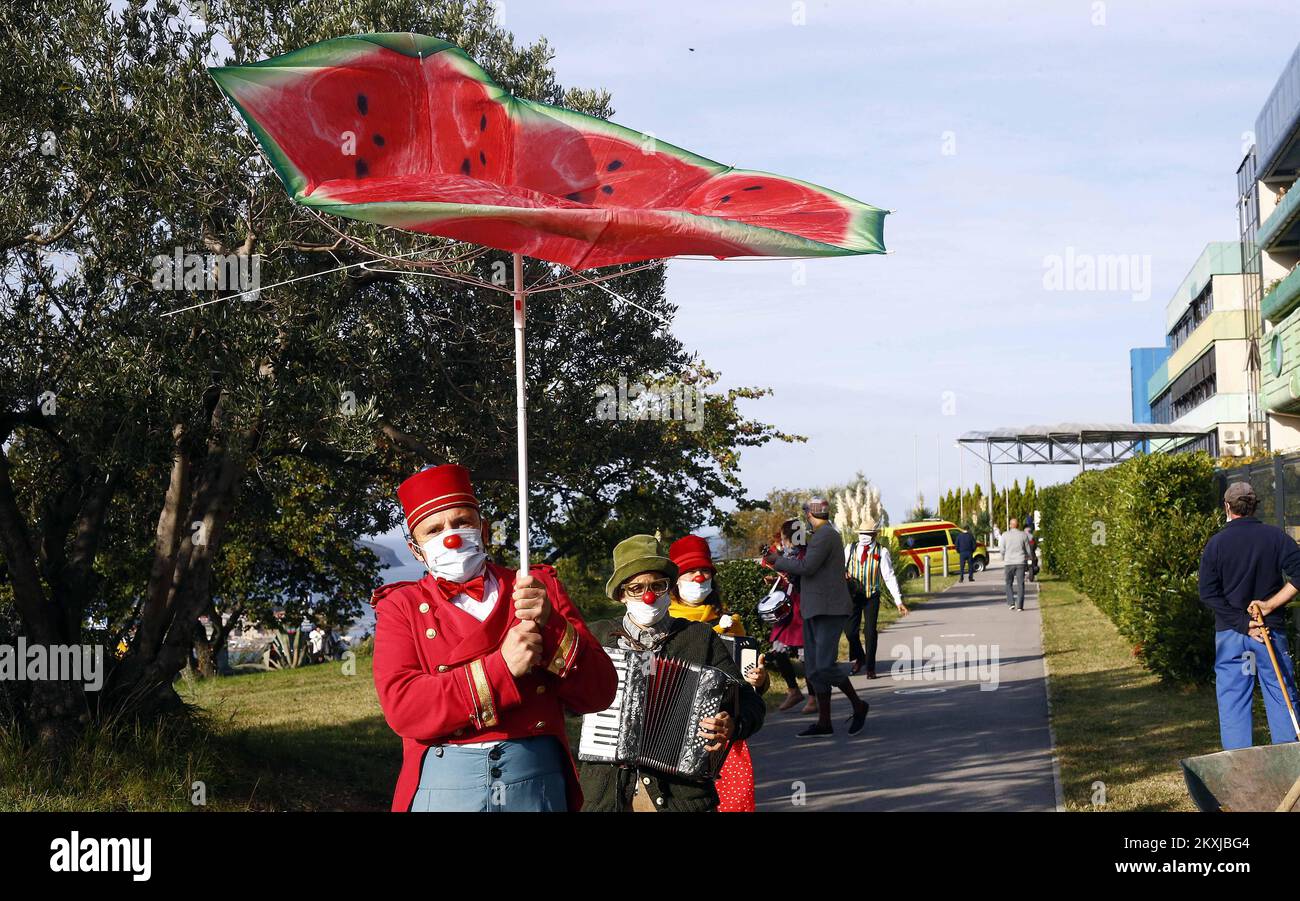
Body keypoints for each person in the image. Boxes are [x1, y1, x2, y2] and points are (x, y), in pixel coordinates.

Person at [370, 463, 618, 812]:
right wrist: (500, 670)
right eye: (434, 530)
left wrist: (551, 626)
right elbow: (403, 708)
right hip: (445, 789)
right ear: (415, 549)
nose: (451, 537)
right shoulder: (402, 606)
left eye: (462, 523)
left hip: (537, 784)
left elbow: (600, 692)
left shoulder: (537, 588)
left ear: (483, 529)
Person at [580, 535, 766, 812]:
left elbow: (749, 702)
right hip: (607, 795)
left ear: (669, 588)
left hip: (680, 797)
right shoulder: (595, 638)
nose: (649, 595)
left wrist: (733, 724)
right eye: (636, 588)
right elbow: (563, 701)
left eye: (658, 585)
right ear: (621, 594)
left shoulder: (700, 638)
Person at [667, 534, 769, 812]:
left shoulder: (730, 624)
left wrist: (760, 680)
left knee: (732, 805)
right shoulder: (663, 624)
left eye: (704, 570)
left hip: (724, 739)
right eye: (690, 571)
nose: (699, 577)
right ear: (675, 579)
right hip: (673, 736)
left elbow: (749, 688)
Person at [1199, 481, 1300, 750]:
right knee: (1281, 695)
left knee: (1234, 701)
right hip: (1268, 633)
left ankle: (1239, 770)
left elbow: (1208, 593)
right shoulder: (1275, 537)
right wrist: (1269, 606)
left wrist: (1243, 624)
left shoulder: (1216, 544)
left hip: (1232, 637)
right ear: (1255, 506)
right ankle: (1290, 770)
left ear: (1227, 507)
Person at [763, 497, 869, 737]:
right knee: (813, 668)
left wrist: (776, 561)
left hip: (828, 610)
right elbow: (809, 571)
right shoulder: (823, 535)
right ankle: (824, 722)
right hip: (816, 608)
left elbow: (808, 567)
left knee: (823, 666)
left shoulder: (825, 535)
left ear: (809, 515)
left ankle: (858, 705)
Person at [843, 519, 907, 678]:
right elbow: (839, 568)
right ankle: (860, 657)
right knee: (850, 631)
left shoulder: (881, 552)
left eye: (868, 533)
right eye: (862, 533)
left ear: (874, 534)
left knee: (870, 631)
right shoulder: (850, 548)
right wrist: (843, 574)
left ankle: (870, 667)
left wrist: (898, 601)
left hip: (872, 595)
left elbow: (889, 577)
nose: (865, 536)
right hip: (853, 596)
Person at [766, 518, 812, 712]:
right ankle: (793, 690)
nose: (783, 541)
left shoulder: (807, 554)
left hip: (803, 607)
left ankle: (814, 697)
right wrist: (776, 579)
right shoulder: (787, 555)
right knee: (777, 650)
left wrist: (791, 575)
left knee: (806, 656)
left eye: (785, 537)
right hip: (786, 609)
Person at [999, 518, 1032, 611]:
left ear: (1010, 525)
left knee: (1008, 583)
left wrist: (1004, 555)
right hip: (1020, 562)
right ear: (1018, 525)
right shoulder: (1023, 535)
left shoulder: (1005, 535)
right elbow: (1028, 549)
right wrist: (1028, 556)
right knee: (1020, 584)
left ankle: (1011, 603)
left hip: (1009, 562)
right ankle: (1020, 606)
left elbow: (1001, 549)